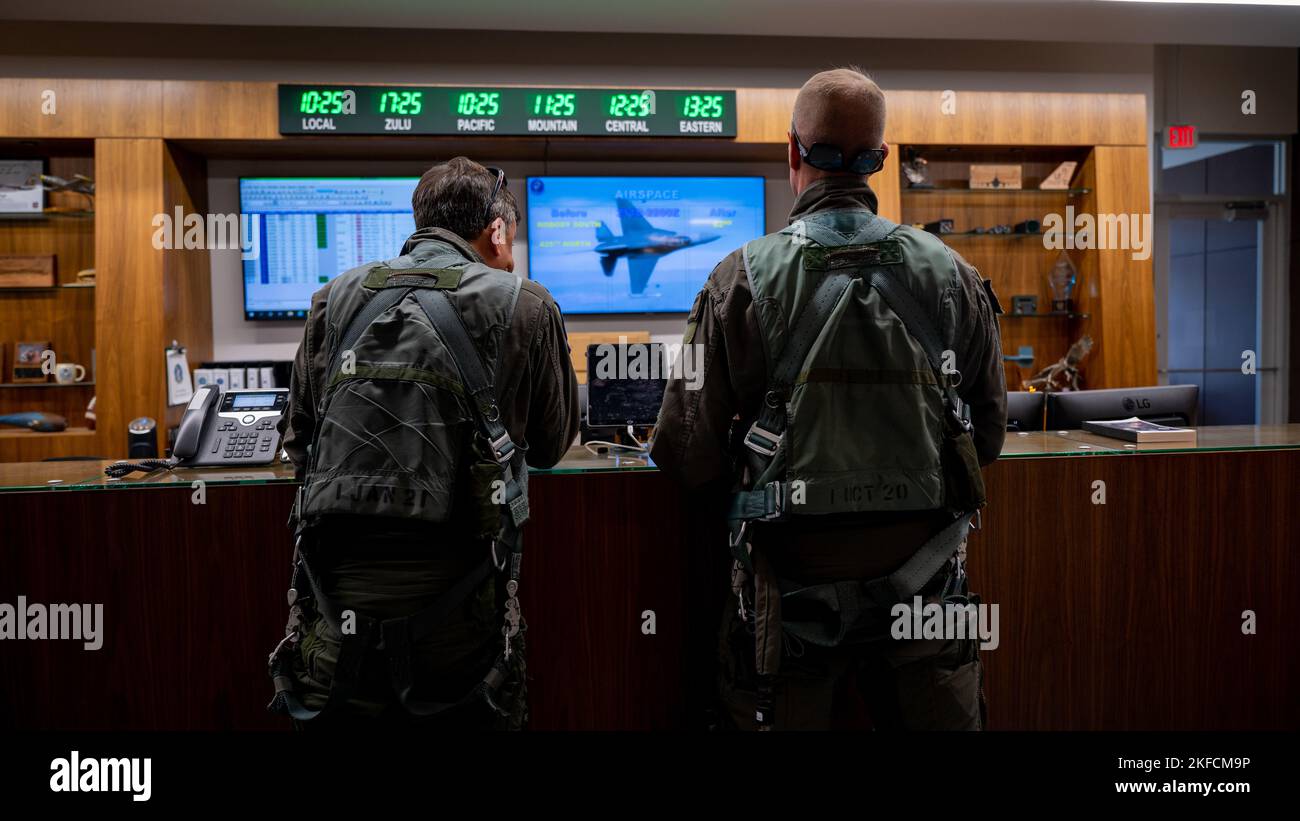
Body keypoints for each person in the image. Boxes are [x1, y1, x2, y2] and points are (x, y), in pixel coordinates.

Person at [652, 68, 1007, 730]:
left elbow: (684, 452)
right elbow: (986, 437)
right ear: (879, 159)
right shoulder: (953, 274)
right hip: (926, 588)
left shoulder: (738, 278)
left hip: (788, 599)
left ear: (793, 151)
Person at [269, 157, 579, 729]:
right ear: (497, 229)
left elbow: (298, 440)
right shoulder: (526, 303)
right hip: (460, 623)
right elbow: (551, 444)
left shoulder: (333, 298)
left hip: (335, 614)